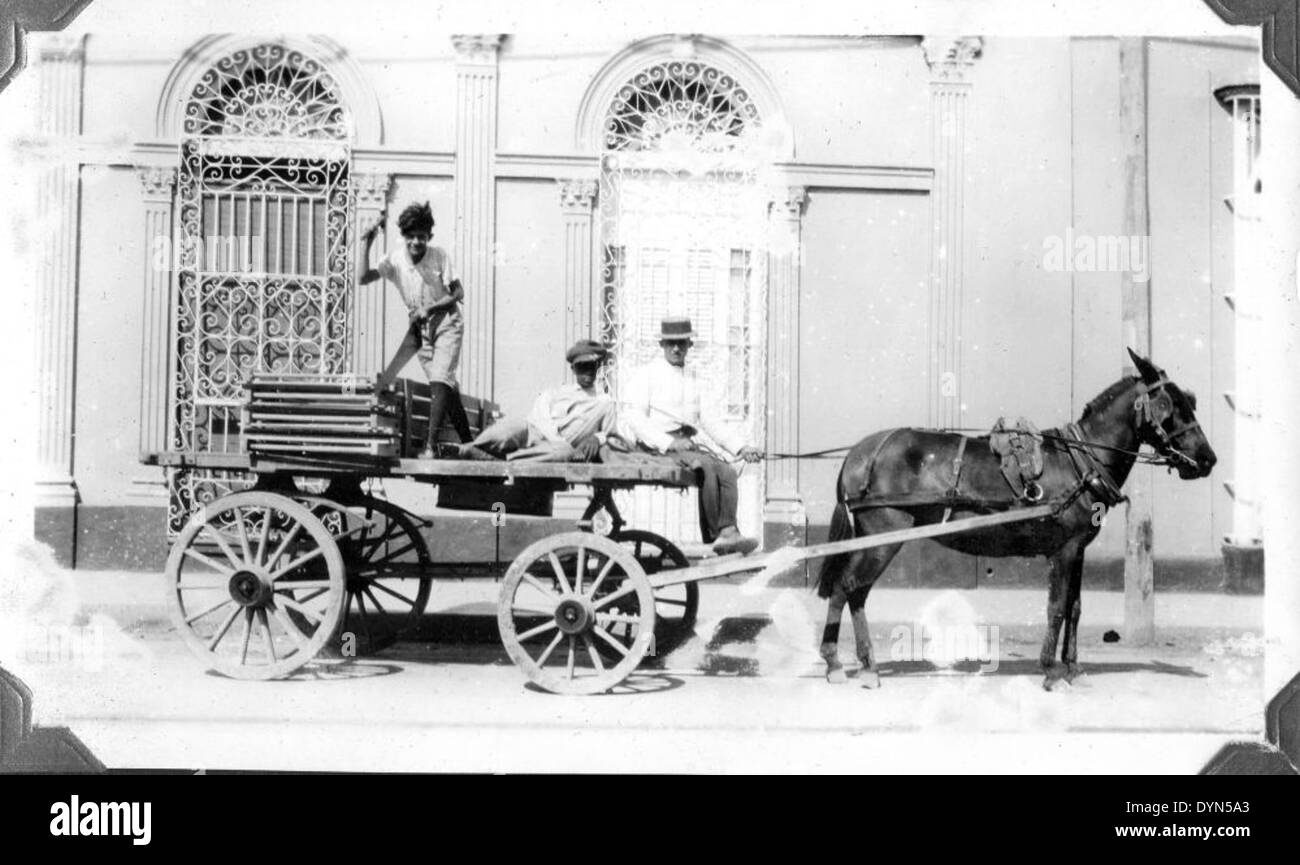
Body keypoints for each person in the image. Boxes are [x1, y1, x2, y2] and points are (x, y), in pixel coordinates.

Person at [616, 317, 763, 555]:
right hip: (656, 448)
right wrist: (669, 442)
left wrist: (741, 447)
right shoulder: (647, 375)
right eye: (671, 343)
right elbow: (634, 418)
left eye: (682, 343)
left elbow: (712, 421)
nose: (676, 349)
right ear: (662, 344)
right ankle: (718, 535)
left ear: (689, 345)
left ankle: (729, 532)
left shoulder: (695, 379)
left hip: (686, 446)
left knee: (726, 471)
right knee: (705, 465)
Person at [358, 201, 472, 458]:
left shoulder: (439, 255)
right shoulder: (395, 259)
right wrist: (366, 242)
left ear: (429, 237)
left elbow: (458, 292)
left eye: (421, 237)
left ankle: (430, 447)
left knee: (439, 380)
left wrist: (430, 309)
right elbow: (363, 278)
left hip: (446, 321)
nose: (416, 242)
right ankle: (468, 441)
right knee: (445, 386)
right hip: (421, 326)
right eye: (411, 237)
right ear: (404, 237)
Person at [458, 339, 616, 462]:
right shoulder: (558, 392)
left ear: (598, 367)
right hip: (533, 430)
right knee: (508, 429)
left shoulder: (603, 402)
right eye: (582, 367)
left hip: (557, 446)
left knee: (564, 453)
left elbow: (612, 433)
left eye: (591, 366)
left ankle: (501, 461)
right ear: (573, 369)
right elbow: (539, 414)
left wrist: (597, 438)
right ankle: (467, 450)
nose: (587, 372)